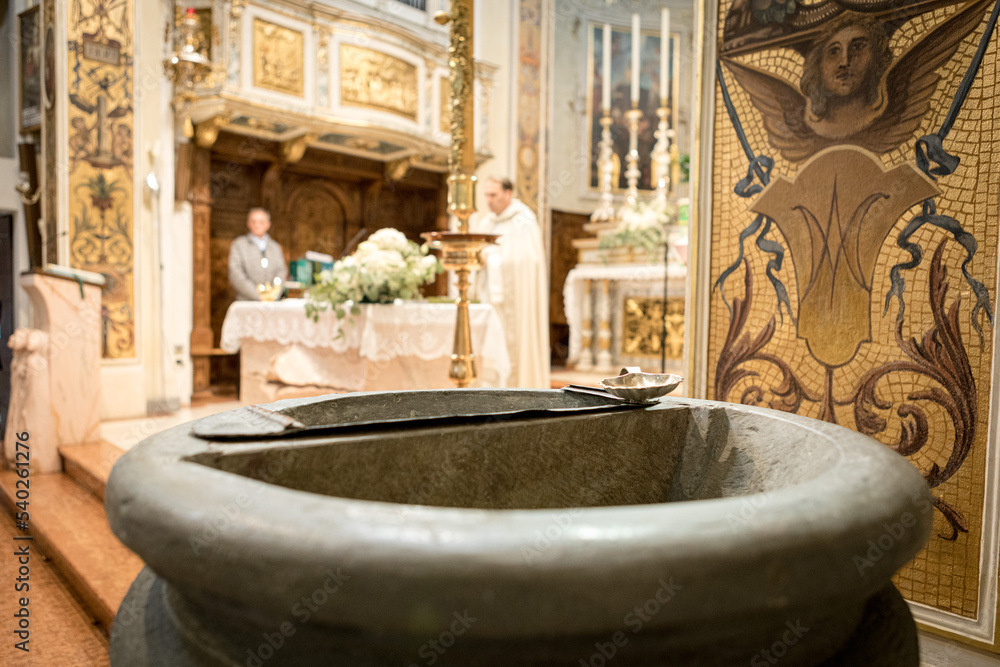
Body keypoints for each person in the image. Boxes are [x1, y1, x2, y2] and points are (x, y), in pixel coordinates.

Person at [474, 178, 550, 388]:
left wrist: (495, 259)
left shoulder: (523, 219)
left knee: (514, 344)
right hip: (490, 296)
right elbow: (477, 254)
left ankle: (517, 387)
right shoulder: (486, 223)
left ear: (508, 194)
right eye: (486, 196)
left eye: (493, 195)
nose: (488, 201)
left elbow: (528, 261)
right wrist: (483, 257)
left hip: (516, 297)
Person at [800, 15, 891, 137]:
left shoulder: (885, 120)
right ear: (818, 65)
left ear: (876, 58)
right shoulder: (807, 127)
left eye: (858, 47)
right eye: (833, 51)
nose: (844, 62)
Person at [228, 207, 288, 301]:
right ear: (248, 223)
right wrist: (258, 295)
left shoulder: (275, 247)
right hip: (247, 302)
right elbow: (236, 273)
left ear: (268, 224)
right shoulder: (239, 244)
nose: (257, 225)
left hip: (272, 302)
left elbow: (281, 272)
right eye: (254, 221)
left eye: (261, 222)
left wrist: (274, 294)